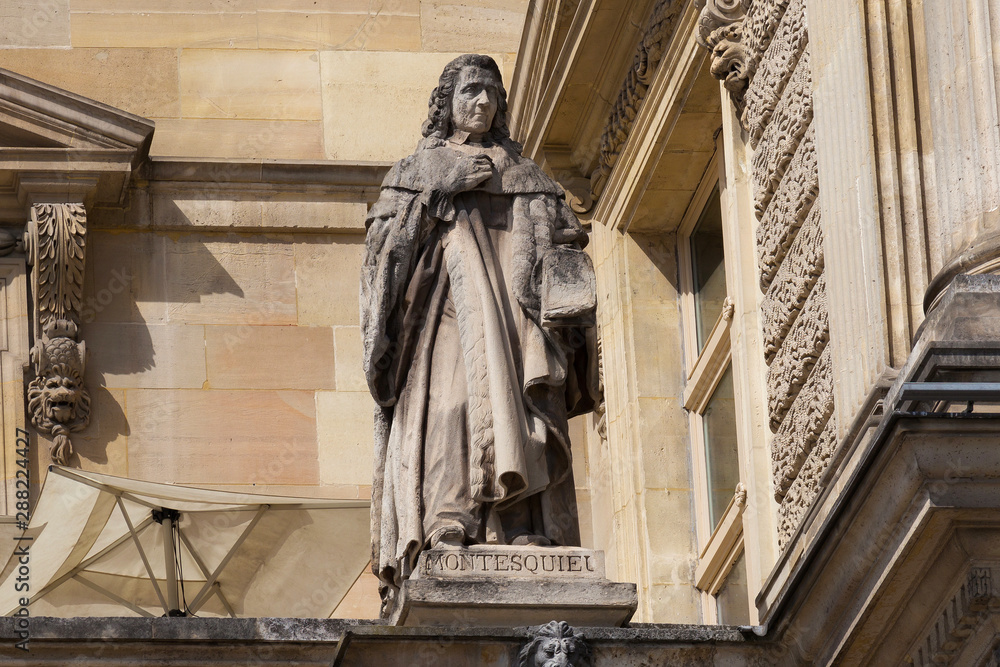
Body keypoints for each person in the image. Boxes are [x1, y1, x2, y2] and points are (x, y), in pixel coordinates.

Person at [361, 54, 599, 611]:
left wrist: (563, 254)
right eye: (471, 91)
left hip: (519, 316)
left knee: (520, 410)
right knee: (452, 405)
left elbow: (564, 238)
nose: (483, 102)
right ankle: (448, 521)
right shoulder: (416, 171)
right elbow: (381, 256)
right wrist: (437, 194)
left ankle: (519, 526)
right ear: (446, 102)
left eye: (492, 93)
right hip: (445, 310)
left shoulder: (527, 174)